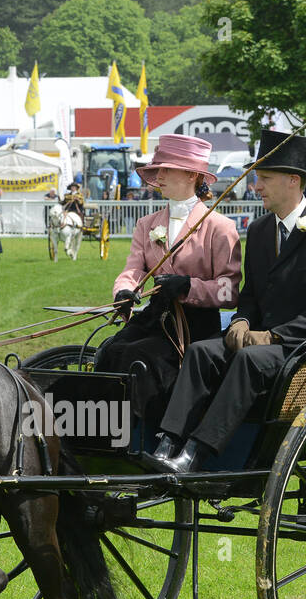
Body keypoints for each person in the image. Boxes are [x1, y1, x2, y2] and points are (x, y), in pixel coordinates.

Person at [144, 130, 306, 473]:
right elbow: (251, 294)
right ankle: (168, 443)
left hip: (300, 347)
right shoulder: (258, 231)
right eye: (257, 178)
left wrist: (273, 336)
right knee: (201, 351)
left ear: (293, 180)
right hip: (257, 337)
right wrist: (242, 319)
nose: (256, 186)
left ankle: (195, 453)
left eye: (264, 178)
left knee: (248, 360)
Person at [92, 134, 241, 431]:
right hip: (154, 319)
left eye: (166, 169)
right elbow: (133, 269)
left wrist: (188, 287)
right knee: (109, 351)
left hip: (195, 326)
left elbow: (229, 290)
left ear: (191, 175)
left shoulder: (220, 228)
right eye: (156, 169)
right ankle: (104, 436)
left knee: (138, 357)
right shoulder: (146, 225)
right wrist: (124, 289)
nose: (158, 176)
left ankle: (147, 434)